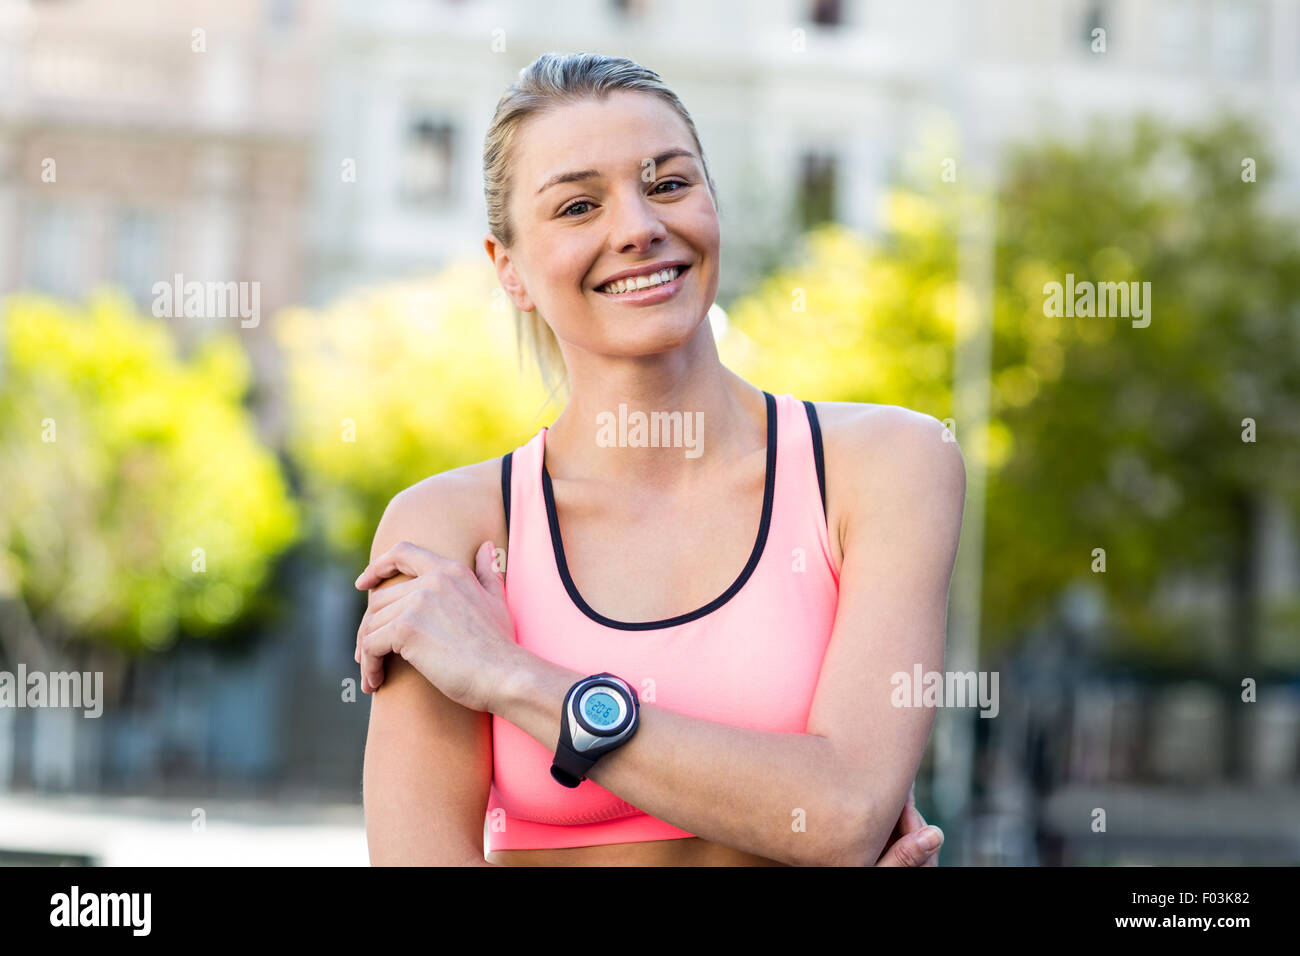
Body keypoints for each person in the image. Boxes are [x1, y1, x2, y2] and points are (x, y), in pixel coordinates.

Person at [355, 52, 965, 866]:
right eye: (578, 205)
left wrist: (512, 677)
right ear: (512, 272)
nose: (639, 226)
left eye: (670, 183)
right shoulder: (448, 530)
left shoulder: (884, 468)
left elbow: (844, 809)